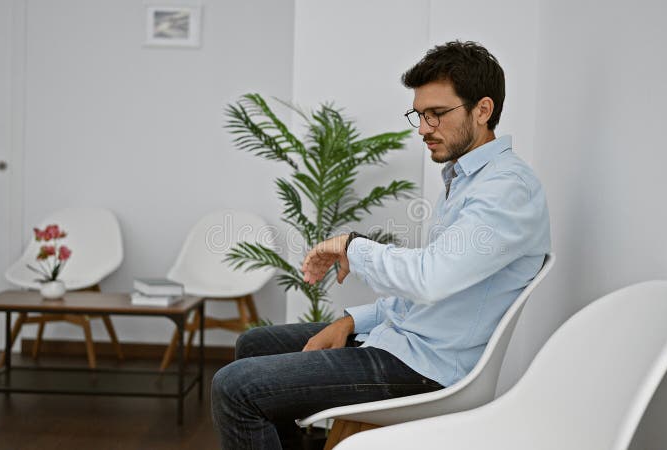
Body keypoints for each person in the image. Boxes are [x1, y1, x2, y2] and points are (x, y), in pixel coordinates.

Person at [211, 40, 551, 450]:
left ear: (482, 110)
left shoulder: (505, 190)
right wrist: (353, 321)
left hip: (428, 368)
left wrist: (353, 246)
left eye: (437, 114)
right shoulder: (468, 179)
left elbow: (429, 279)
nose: (424, 129)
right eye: (420, 115)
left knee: (235, 387)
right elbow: (434, 287)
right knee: (253, 345)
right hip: (411, 343)